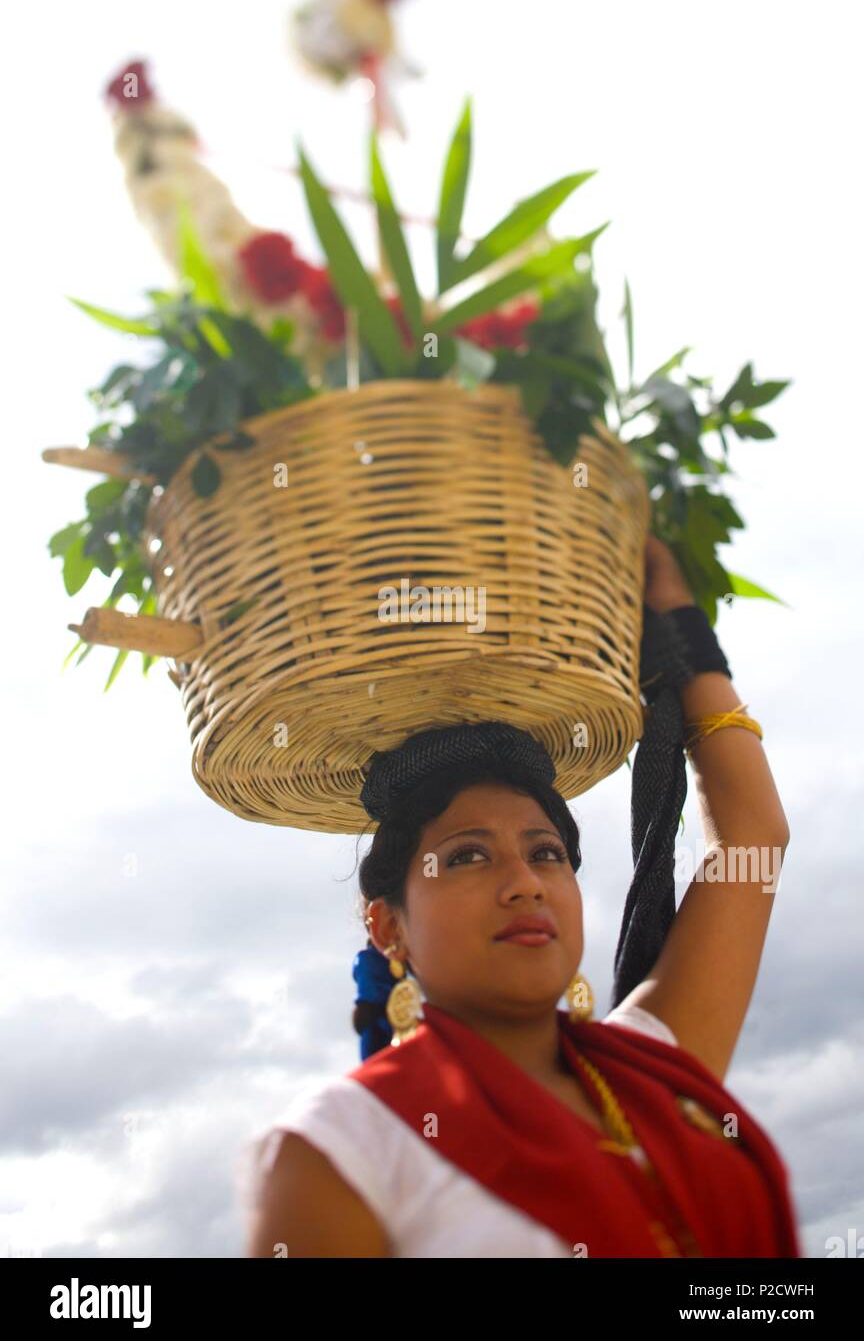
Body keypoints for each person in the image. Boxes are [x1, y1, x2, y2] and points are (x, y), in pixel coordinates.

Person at [241, 534, 802, 1257]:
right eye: (467, 856)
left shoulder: (647, 1068)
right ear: (388, 927)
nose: (524, 884)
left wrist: (675, 626)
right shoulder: (341, 1153)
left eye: (546, 854)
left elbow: (753, 840)